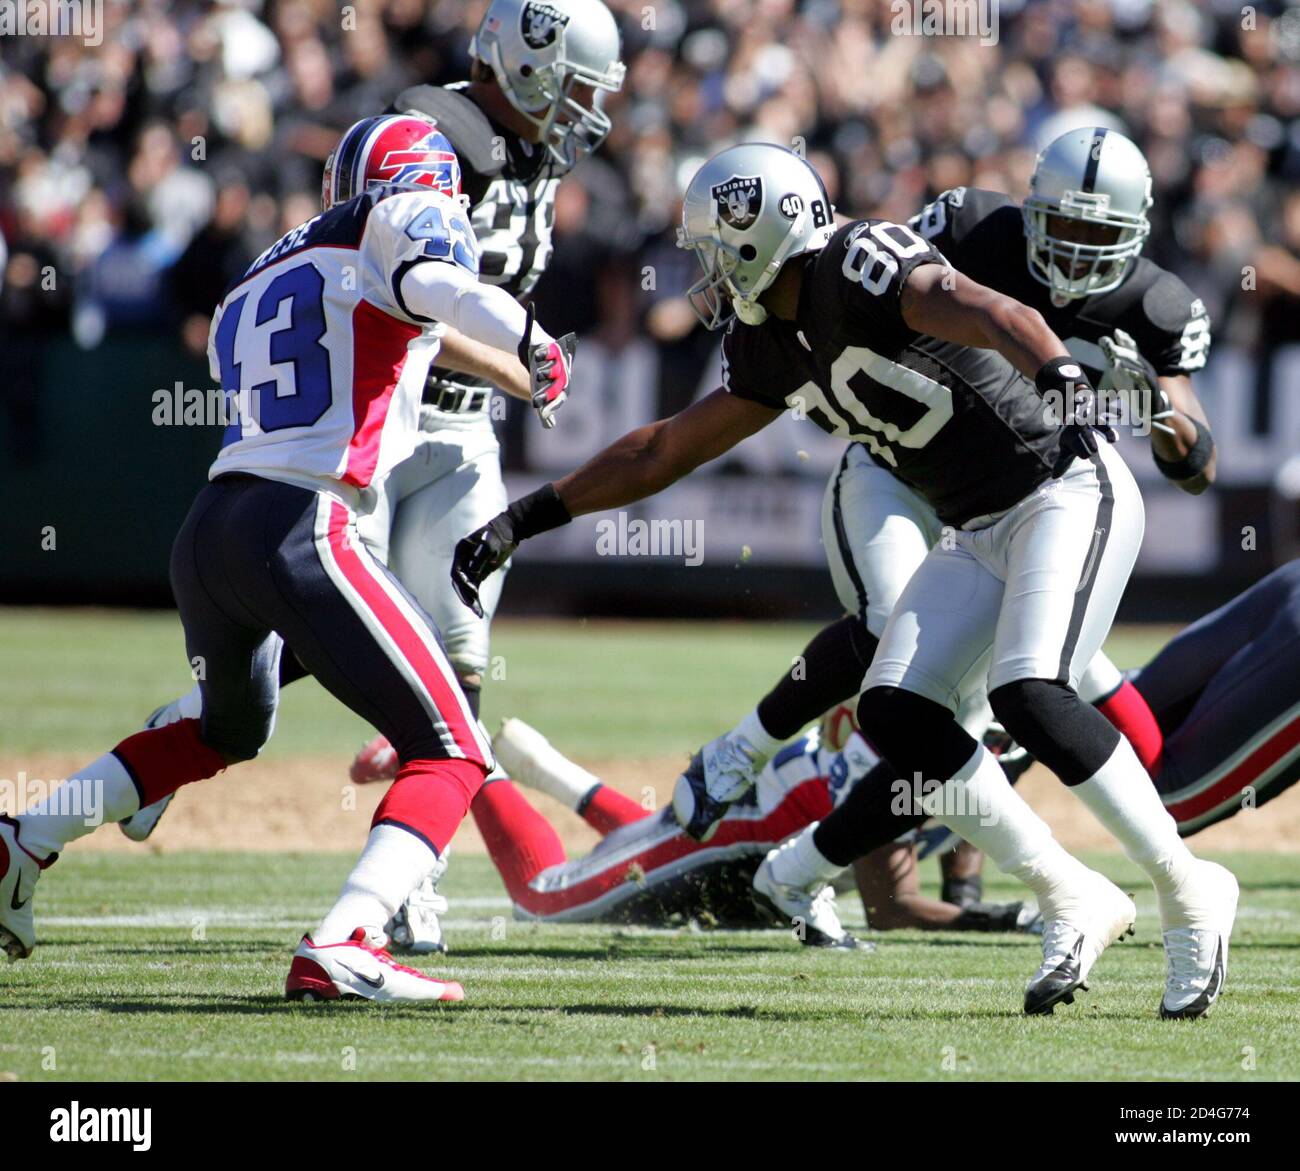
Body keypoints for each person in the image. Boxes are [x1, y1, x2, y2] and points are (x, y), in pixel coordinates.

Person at [449, 142, 1237, 1019]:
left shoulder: (859, 266)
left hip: (1063, 486)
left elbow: (974, 302)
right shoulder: (770, 344)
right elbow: (664, 450)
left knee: (1027, 690)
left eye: (713, 250)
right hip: (976, 527)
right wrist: (528, 516)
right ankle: (1070, 891)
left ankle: (1189, 886)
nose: (703, 272)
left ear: (757, 238)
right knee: (897, 709)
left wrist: (1054, 368)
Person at [0, 120, 573, 1004]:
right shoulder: (408, 215)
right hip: (309, 520)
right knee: (453, 744)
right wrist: (532, 337)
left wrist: (504, 369)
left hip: (212, 528)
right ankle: (348, 936)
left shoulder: (266, 269)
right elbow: (441, 287)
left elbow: (401, 323)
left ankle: (23, 840)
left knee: (221, 730)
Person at [120, 0, 624, 951]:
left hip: (467, 439)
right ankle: (186, 729)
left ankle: (408, 880)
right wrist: (523, 364)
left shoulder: (533, 152)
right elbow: (421, 305)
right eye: (577, 86)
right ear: (527, 64)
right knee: (337, 635)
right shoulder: (438, 144)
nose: (586, 111)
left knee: (456, 660)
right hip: (384, 424)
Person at [450, 718, 1038, 939]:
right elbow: (891, 907)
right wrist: (1007, 920)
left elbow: (976, 809)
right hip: (720, 849)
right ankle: (466, 754)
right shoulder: (898, 748)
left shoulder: (983, 729)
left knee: (647, 845)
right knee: (542, 901)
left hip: (747, 844)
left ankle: (555, 775)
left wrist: (965, 894)